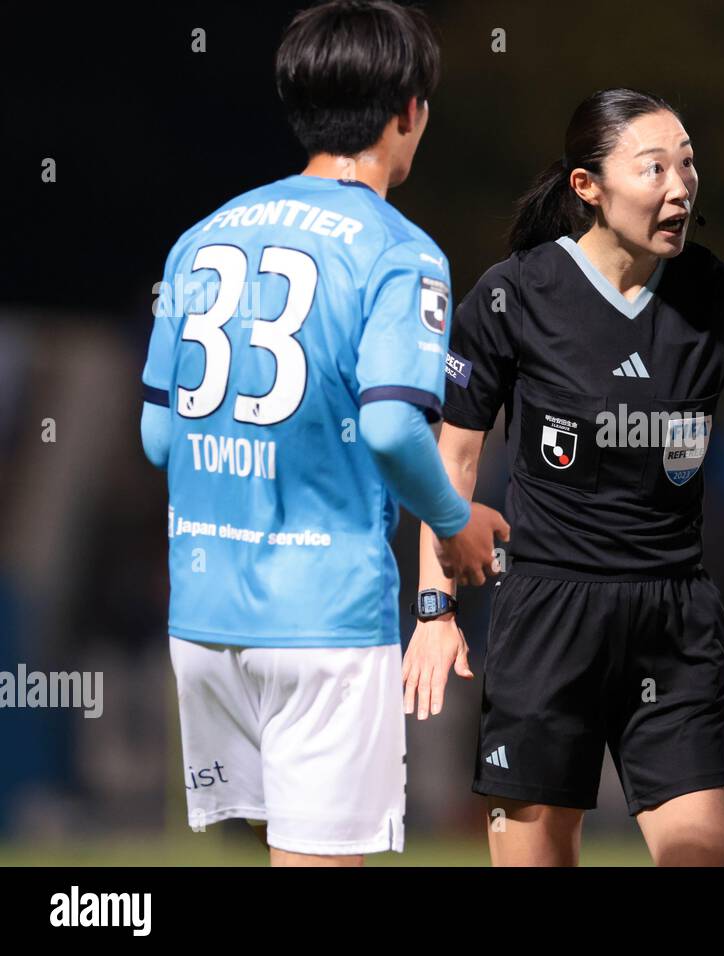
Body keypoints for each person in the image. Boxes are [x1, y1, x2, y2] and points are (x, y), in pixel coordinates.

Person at [400, 88, 724, 866]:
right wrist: (434, 609)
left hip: (674, 626)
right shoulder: (514, 296)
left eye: (688, 165)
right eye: (653, 168)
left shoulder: (720, 299)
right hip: (548, 616)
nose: (680, 186)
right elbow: (451, 461)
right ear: (588, 186)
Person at [139, 0, 506, 866]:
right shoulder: (399, 249)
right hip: (326, 620)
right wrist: (457, 525)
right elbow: (388, 424)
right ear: (408, 111)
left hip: (203, 616)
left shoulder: (200, 239)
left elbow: (159, 439)